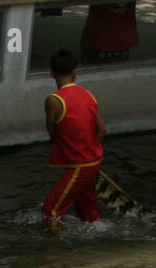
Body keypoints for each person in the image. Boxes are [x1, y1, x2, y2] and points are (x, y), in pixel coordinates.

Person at [41, 48, 105, 234]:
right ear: (75, 71)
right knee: (88, 214)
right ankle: (98, 247)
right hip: (93, 161)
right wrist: (92, 149)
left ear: (52, 74)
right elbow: (102, 129)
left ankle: (55, 253)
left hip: (79, 165)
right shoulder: (88, 94)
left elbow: (53, 133)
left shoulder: (54, 100)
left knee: (50, 210)